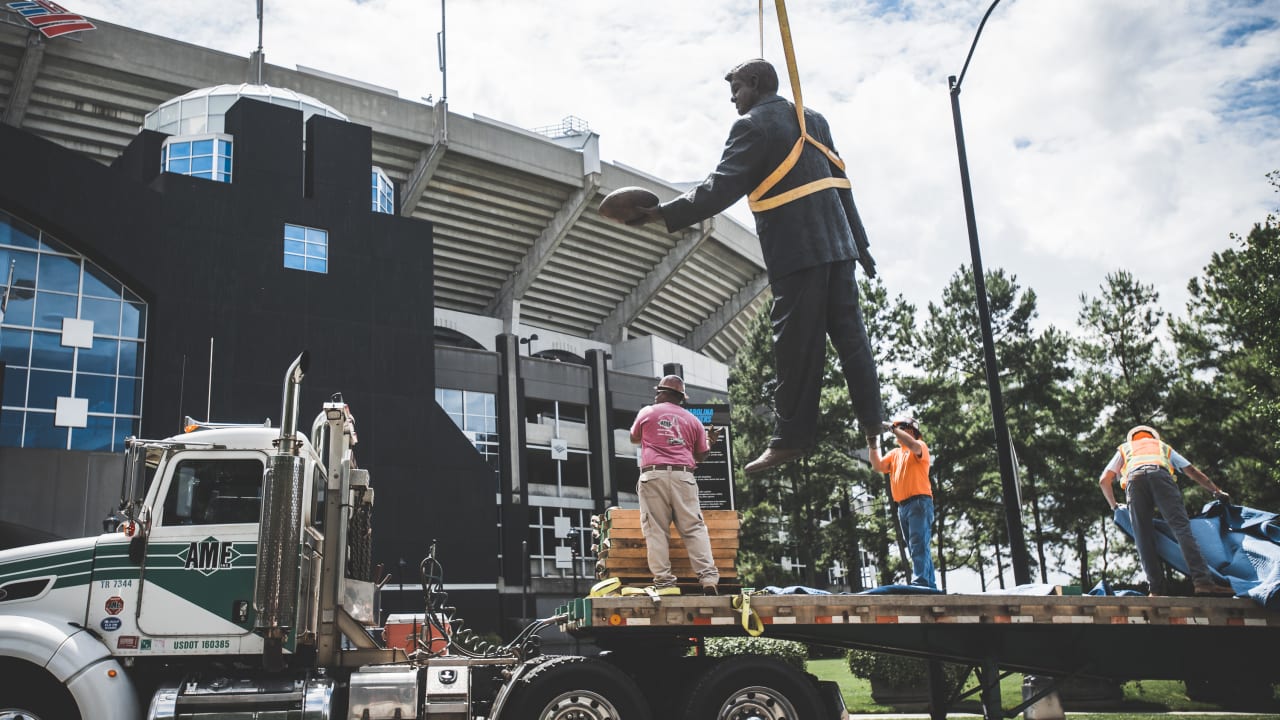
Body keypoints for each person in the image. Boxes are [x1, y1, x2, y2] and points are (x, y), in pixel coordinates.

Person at [629, 58, 883, 474]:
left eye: (736, 90)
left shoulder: (752, 127)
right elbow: (841, 183)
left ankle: (790, 439)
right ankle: (873, 427)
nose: (733, 99)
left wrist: (659, 214)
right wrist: (861, 243)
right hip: (839, 248)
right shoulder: (813, 119)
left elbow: (719, 188)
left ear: (754, 83)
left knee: (795, 346)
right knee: (854, 341)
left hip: (797, 251)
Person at [1098, 425, 1233, 597]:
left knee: (1143, 537)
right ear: (1153, 437)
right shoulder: (1161, 446)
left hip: (1134, 482)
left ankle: (1156, 590)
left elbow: (1104, 480)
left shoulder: (1125, 449)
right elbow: (1191, 470)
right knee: (1181, 530)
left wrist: (1115, 507)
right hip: (1160, 477)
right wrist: (1216, 491)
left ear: (1132, 439)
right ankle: (1203, 582)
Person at [629, 374, 720, 595]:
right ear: (681, 397)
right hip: (683, 477)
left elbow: (634, 438)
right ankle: (708, 579)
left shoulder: (647, 412)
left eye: (657, 392)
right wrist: (710, 442)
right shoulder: (693, 420)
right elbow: (700, 455)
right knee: (694, 528)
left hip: (653, 476)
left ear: (662, 393)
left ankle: (665, 583)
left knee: (656, 530)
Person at [868, 416, 936, 589]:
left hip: (919, 502)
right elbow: (878, 465)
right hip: (904, 507)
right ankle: (929, 584)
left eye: (900, 428)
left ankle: (921, 582)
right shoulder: (895, 454)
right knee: (917, 546)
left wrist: (892, 427)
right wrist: (872, 443)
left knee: (918, 543)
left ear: (911, 430)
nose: (895, 432)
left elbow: (913, 446)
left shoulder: (920, 446)